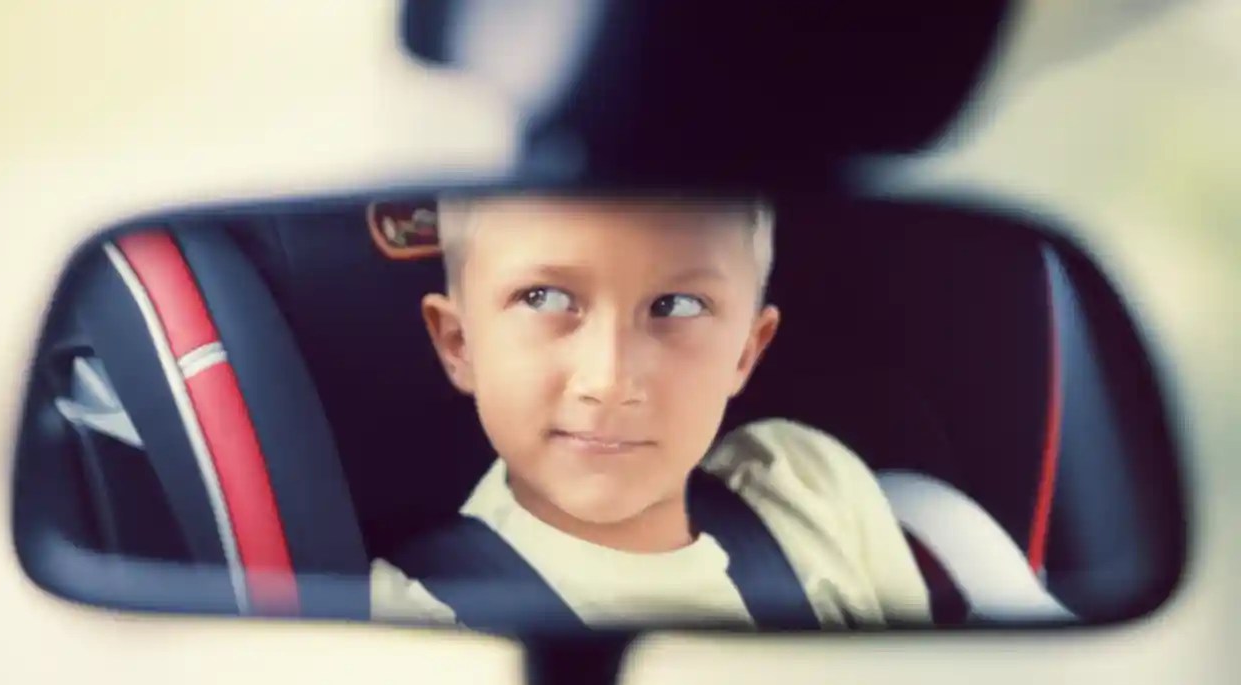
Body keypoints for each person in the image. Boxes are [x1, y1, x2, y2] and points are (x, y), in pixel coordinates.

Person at [369, 194, 931, 629]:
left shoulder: (808, 488)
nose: (610, 382)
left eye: (678, 306)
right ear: (459, 344)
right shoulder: (421, 612)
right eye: (544, 297)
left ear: (745, 352)